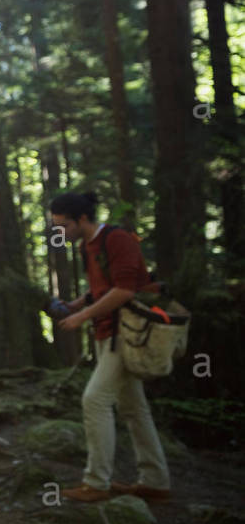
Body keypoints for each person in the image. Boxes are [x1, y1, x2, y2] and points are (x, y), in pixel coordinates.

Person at [48, 191, 170, 503]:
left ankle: (96, 482)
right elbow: (100, 289)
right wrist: (75, 305)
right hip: (107, 332)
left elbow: (125, 290)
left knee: (95, 400)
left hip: (126, 333)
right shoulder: (88, 247)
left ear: (82, 219)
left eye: (62, 225)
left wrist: (82, 317)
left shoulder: (116, 239)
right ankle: (155, 481)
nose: (59, 232)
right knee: (133, 408)